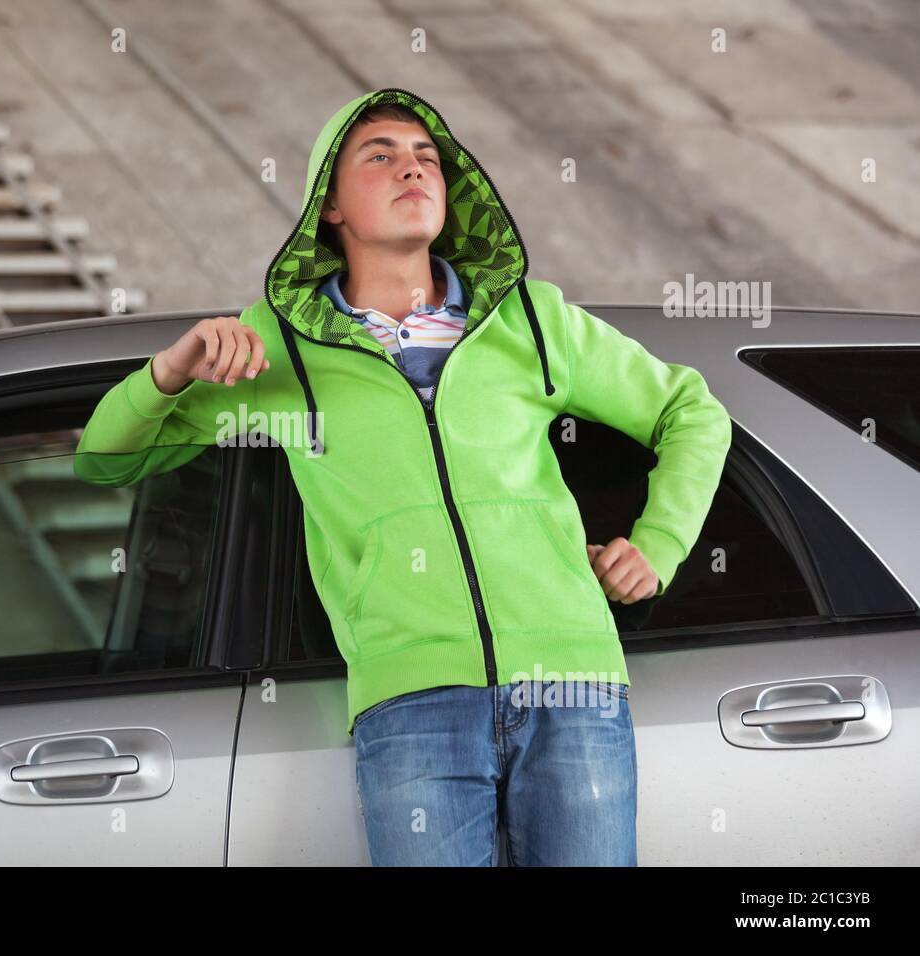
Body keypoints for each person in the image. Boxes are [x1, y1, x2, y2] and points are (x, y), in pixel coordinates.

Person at [74, 88, 732, 866]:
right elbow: (107, 458)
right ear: (330, 208)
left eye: (427, 158)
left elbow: (691, 410)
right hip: (411, 698)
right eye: (379, 156)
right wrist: (173, 369)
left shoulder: (530, 320)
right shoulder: (273, 348)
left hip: (575, 686)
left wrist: (658, 543)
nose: (412, 168)